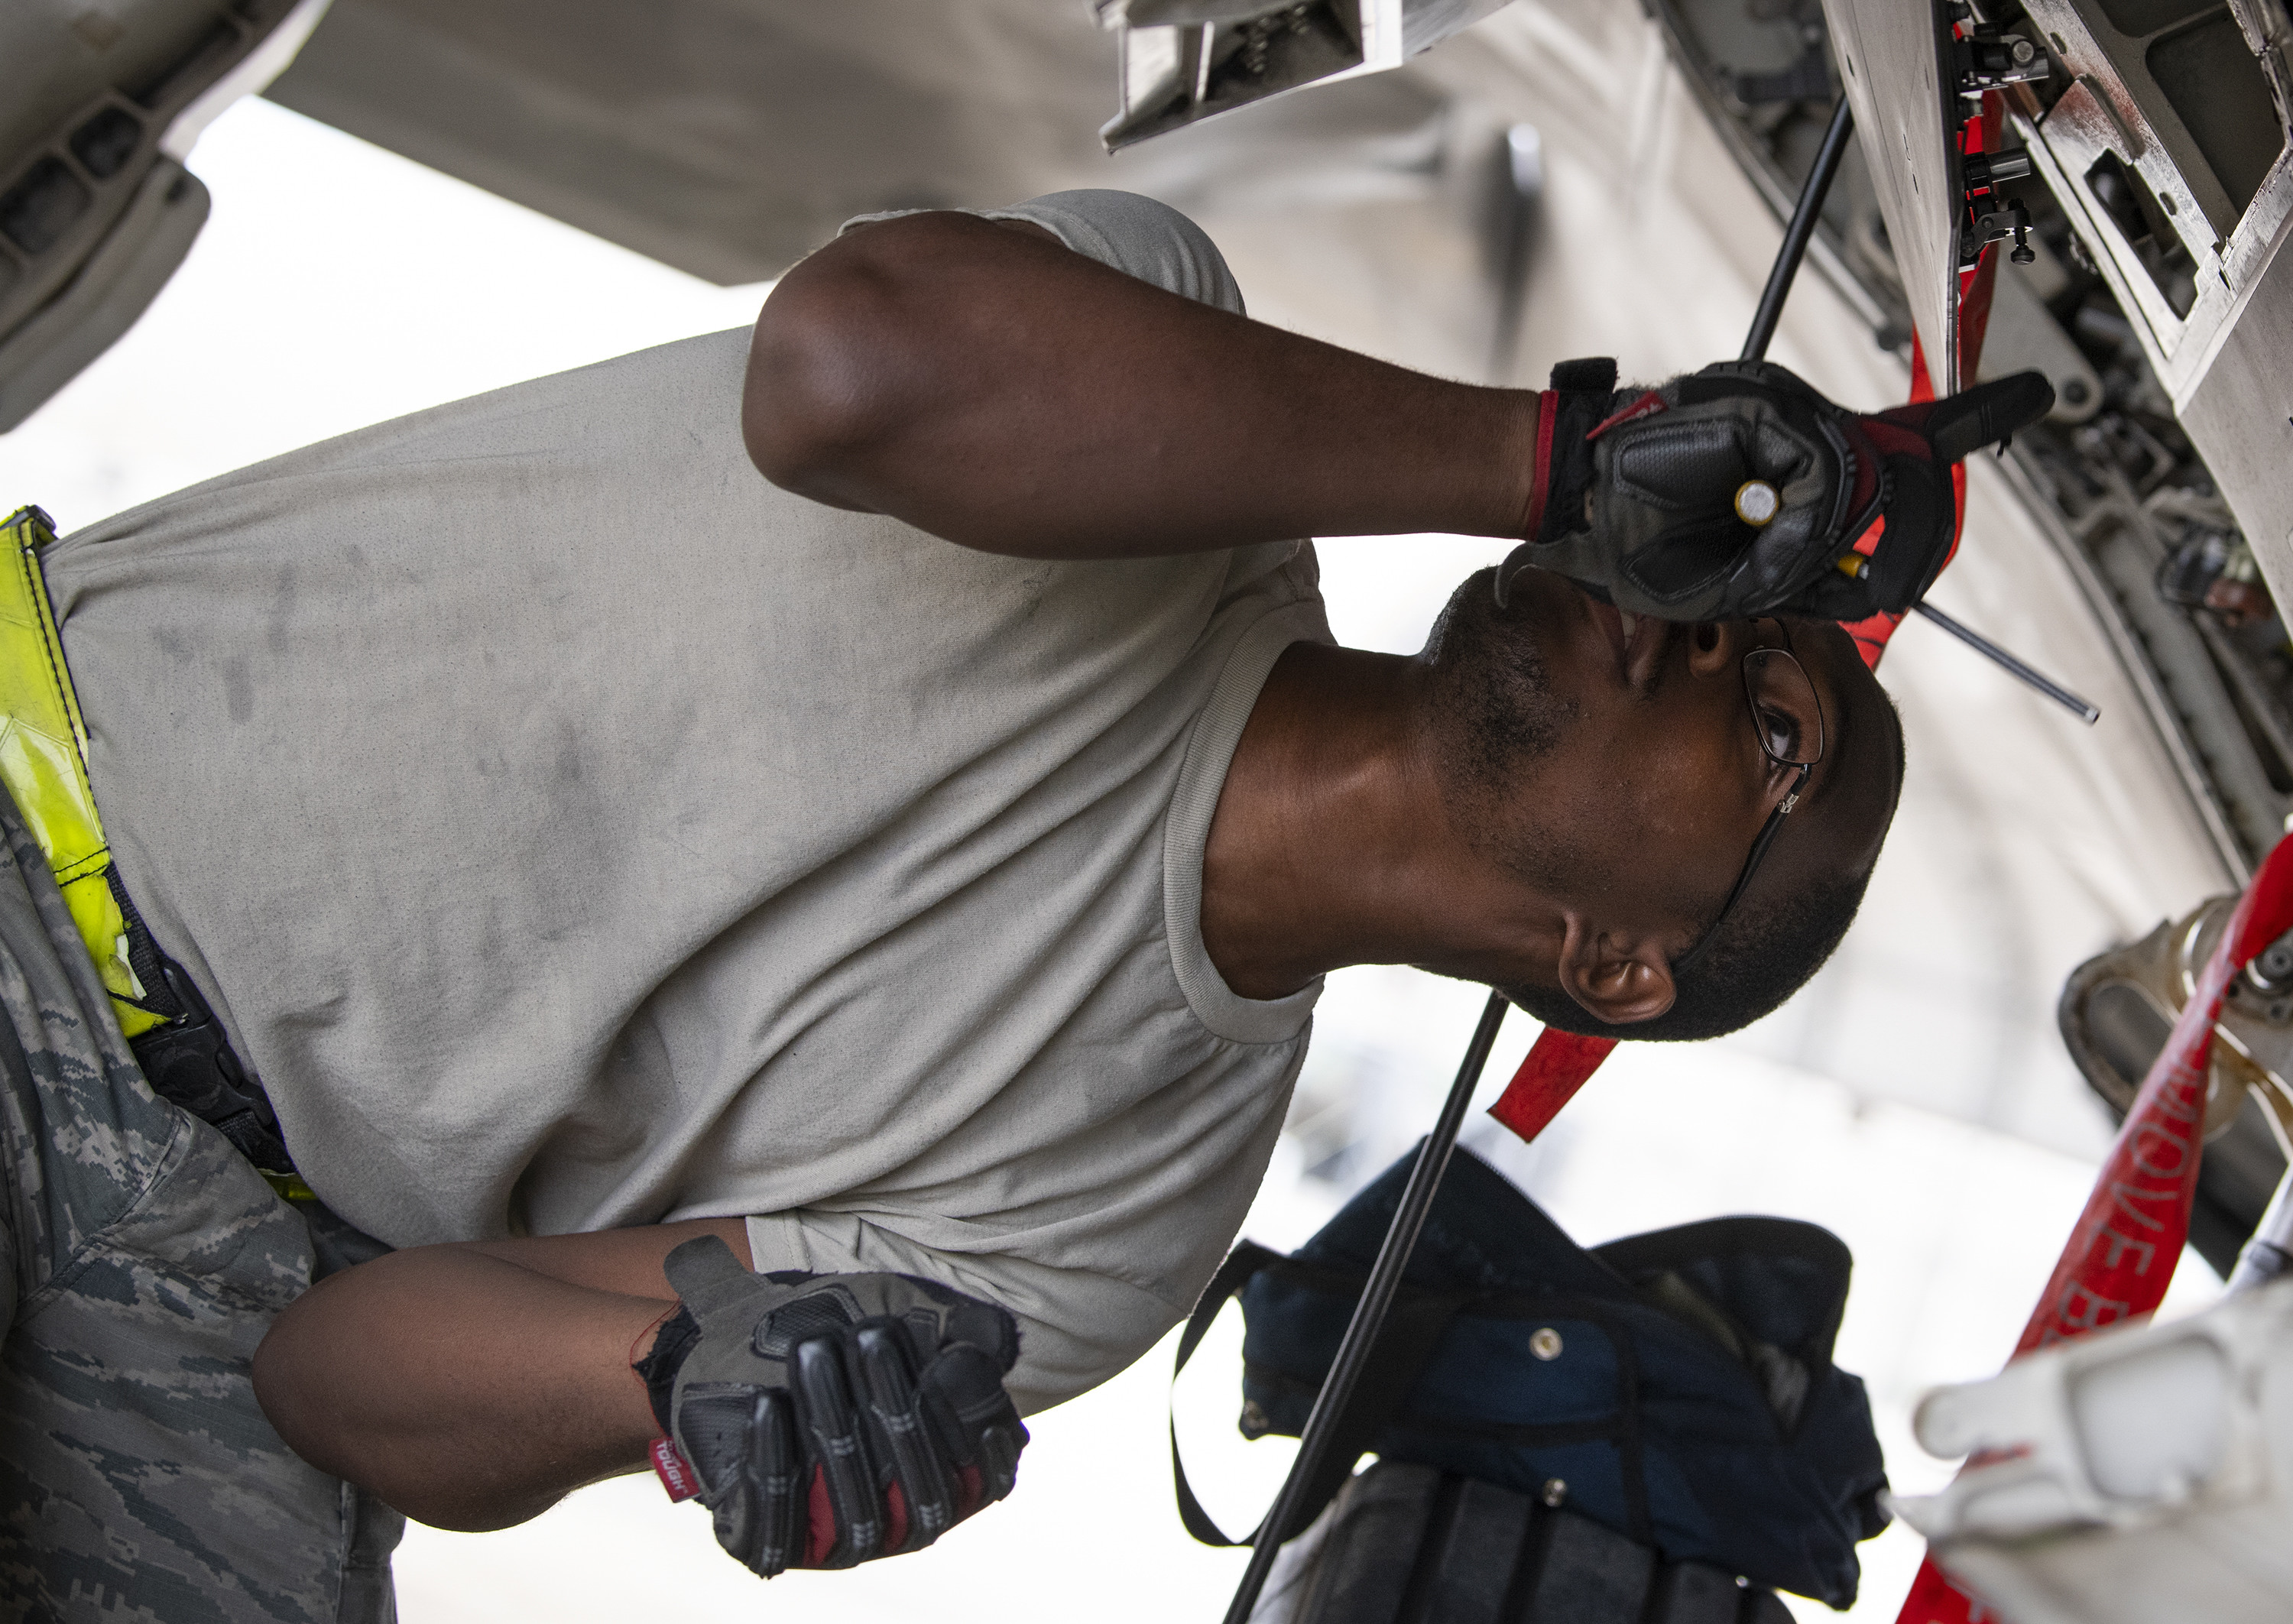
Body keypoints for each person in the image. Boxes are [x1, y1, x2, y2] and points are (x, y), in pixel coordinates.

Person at [0, 189, 1926, 1621]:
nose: (1715, 632)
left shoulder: (1102, 1235)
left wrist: (675, 1370)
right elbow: (856, 363)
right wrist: (1557, 459)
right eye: (1748, 613)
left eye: (1774, 722)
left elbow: (334, 1378)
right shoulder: (1170, 406)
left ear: (1613, 968)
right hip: (41, 836)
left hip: (214, 1278)